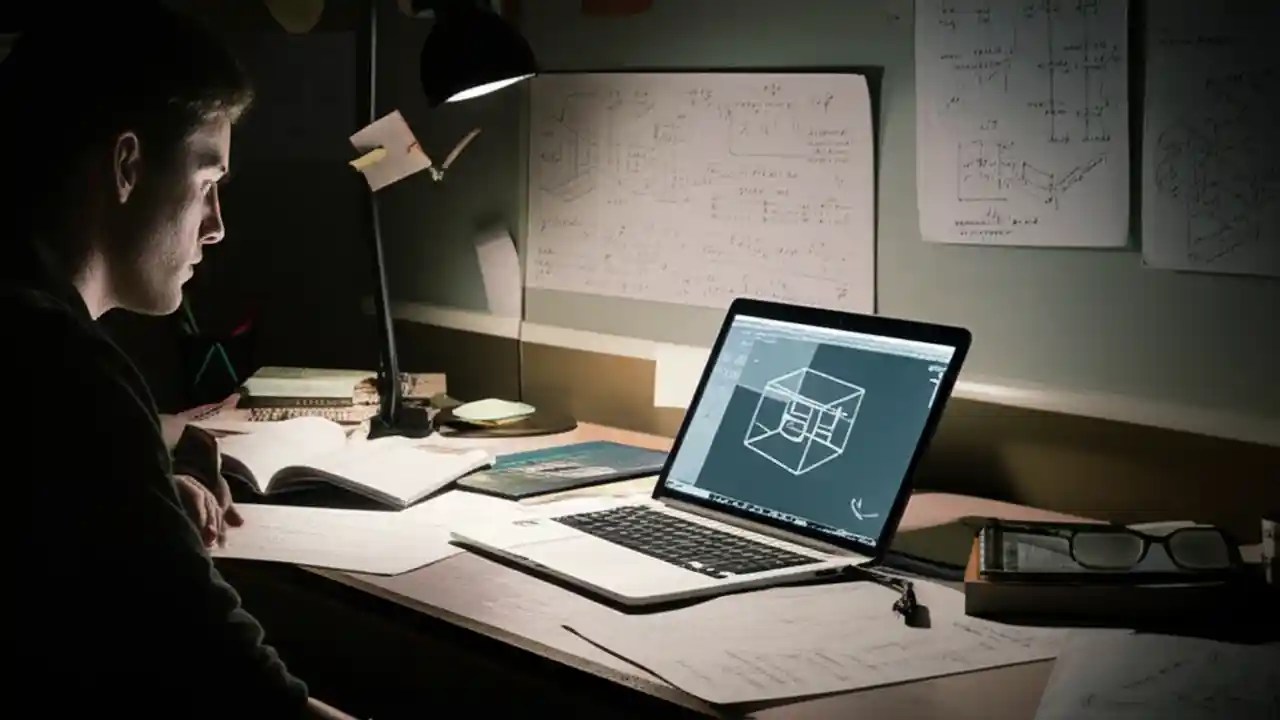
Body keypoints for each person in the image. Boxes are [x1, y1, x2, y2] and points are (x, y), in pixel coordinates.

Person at [0, 4, 357, 718]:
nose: (216, 225)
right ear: (126, 166)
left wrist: (164, 455)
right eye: (205, 183)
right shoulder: (70, 373)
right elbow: (236, 681)